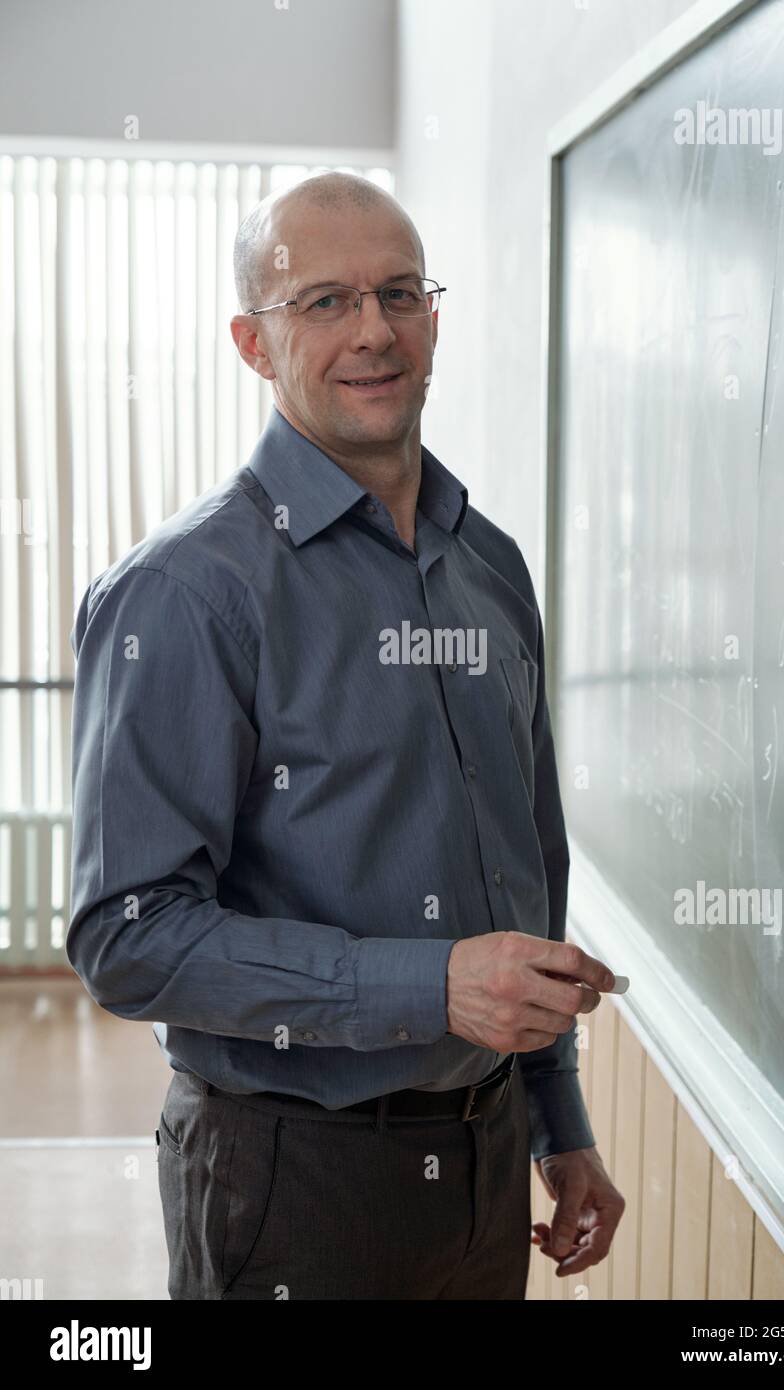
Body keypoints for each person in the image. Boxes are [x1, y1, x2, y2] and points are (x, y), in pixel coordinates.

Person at [67, 171, 625, 1300]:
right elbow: (127, 937)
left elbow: (530, 877)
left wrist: (555, 1118)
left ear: (432, 317)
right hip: (289, 1184)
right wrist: (430, 987)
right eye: (322, 301)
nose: (372, 330)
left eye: (399, 293)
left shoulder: (491, 568)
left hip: (485, 1167)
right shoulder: (184, 593)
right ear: (252, 343)